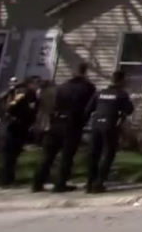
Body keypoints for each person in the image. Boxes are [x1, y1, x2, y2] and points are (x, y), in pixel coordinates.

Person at [33, 62, 96, 193]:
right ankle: (60, 183)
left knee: (48, 155)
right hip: (72, 124)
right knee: (67, 155)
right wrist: (84, 120)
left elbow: (52, 104)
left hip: (56, 122)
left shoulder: (61, 87)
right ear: (85, 72)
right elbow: (90, 107)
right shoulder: (88, 87)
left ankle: (37, 183)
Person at [85, 70, 134, 194]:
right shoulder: (121, 94)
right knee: (107, 154)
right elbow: (129, 109)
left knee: (94, 154)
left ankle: (89, 182)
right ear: (122, 80)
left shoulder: (99, 93)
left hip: (96, 125)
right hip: (110, 125)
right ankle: (99, 183)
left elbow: (88, 109)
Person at [0, 77, 40, 188]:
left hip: (14, 127)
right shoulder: (23, 92)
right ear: (31, 83)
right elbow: (12, 106)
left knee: (11, 155)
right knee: (9, 155)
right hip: (12, 128)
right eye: (36, 84)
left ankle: (8, 179)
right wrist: (17, 117)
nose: (37, 87)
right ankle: (4, 181)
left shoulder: (26, 93)